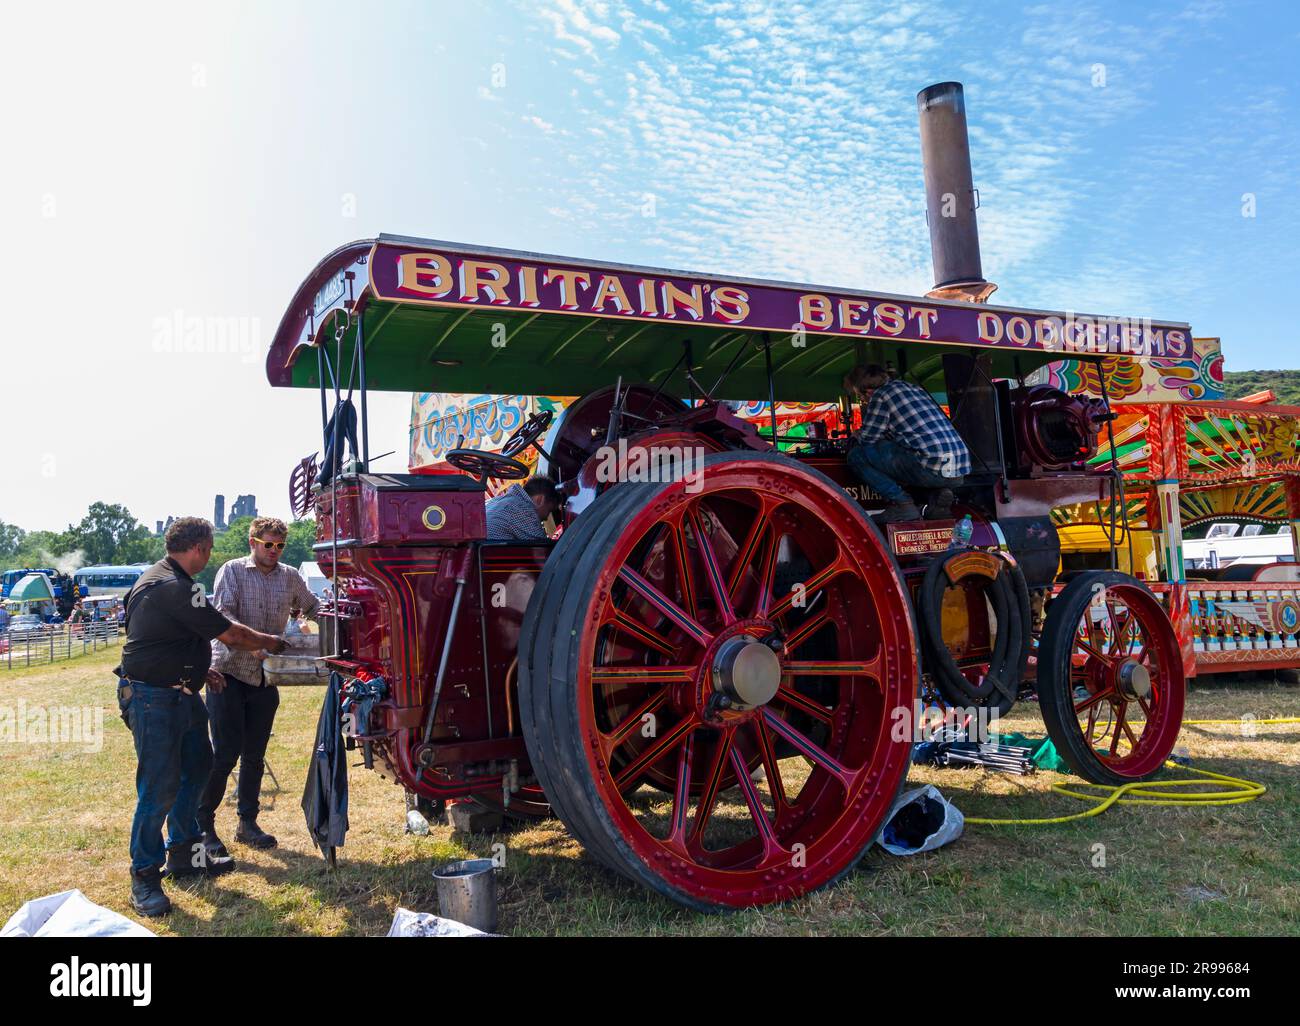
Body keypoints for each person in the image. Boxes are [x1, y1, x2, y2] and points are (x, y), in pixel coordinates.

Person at [115, 517, 288, 918]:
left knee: (198, 767)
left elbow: (166, 635)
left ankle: (185, 853)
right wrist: (273, 641)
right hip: (154, 698)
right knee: (159, 786)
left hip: (182, 691)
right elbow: (231, 635)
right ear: (199, 548)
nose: (209, 558)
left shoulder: (161, 578)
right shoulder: (174, 585)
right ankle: (144, 876)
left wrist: (197, 669)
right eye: (208, 550)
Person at [197, 517, 320, 859]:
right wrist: (255, 645)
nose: (275, 551)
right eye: (268, 544)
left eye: (279, 546)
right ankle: (203, 826)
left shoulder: (291, 576)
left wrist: (342, 619)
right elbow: (223, 617)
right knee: (224, 753)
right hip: (229, 673)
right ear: (253, 542)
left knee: (254, 754)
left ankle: (246, 823)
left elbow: (315, 607)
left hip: (266, 677)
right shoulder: (232, 571)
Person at [843, 364, 970, 523]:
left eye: (861, 398)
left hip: (930, 467)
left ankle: (903, 504)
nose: (864, 401)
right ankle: (935, 496)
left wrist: (857, 435)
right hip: (958, 470)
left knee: (858, 455)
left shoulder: (880, 396)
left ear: (868, 391)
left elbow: (869, 439)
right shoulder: (912, 387)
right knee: (906, 452)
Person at [484, 475, 562, 541]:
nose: (546, 518)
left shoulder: (498, 500)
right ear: (540, 500)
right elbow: (543, 549)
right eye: (549, 511)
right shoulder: (524, 509)